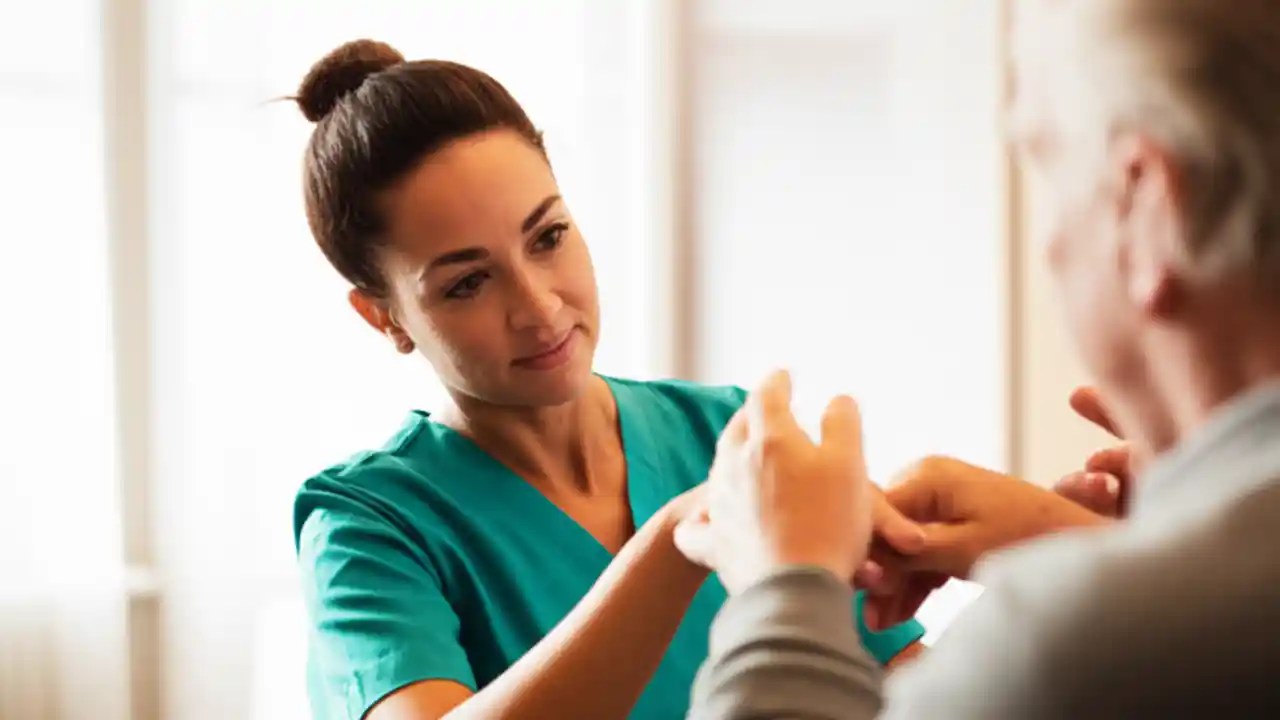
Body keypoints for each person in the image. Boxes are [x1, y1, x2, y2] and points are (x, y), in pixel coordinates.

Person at [288, 40, 930, 720]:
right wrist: (673, 542)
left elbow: (917, 690)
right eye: (469, 282)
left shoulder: (727, 435)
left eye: (548, 237)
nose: (540, 308)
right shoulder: (367, 526)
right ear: (384, 316)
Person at [679, 0, 1280, 716]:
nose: (1048, 246)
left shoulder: (1064, 649)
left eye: (1048, 165)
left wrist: (782, 594)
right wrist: (1118, 542)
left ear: (1147, 207)